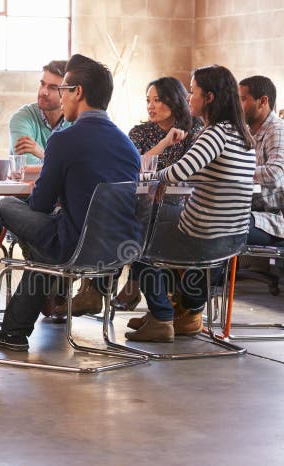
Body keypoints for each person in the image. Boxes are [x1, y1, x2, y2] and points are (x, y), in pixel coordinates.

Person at [0, 53, 141, 352]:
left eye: (63, 90)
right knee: (45, 251)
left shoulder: (64, 140)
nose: (61, 98)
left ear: (78, 92)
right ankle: (14, 330)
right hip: (120, 252)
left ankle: (16, 328)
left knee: (6, 206)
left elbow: (40, 206)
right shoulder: (129, 146)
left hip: (74, 247)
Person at [125, 65, 256, 343]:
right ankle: (178, 313)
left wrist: (154, 177)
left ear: (209, 97)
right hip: (234, 237)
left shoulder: (215, 135)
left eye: (192, 92)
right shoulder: (241, 134)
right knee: (156, 226)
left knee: (132, 235)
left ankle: (161, 316)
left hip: (203, 236)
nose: (188, 98)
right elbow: (197, 171)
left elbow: (175, 172)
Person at [107, 76, 205, 312]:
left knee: (137, 222)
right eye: (148, 100)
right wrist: (163, 143)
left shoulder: (195, 131)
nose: (150, 106)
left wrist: (159, 179)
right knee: (126, 217)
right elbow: (131, 167)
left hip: (180, 208)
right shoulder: (140, 132)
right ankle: (150, 305)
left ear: (175, 100)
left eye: (158, 100)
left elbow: (191, 173)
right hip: (143, 204)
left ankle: (118, 287)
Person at [238, 75, 284, 246]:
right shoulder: (250, 133)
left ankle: (214, 274)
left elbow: (275, 175)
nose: (237, 106)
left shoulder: (279, 131)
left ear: (263, 101)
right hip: (263, 213)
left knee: (221, 227)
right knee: (210, 221)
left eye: (242, 99)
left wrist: (236, 171)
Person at [9, 60, 72, 164]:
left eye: (52, 87)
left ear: (67, 92)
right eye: (42, 84)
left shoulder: (77, 121)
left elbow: (80, 169)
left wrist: (43, 154)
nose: (44, 92)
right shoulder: (21, 119)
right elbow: (26, 166)